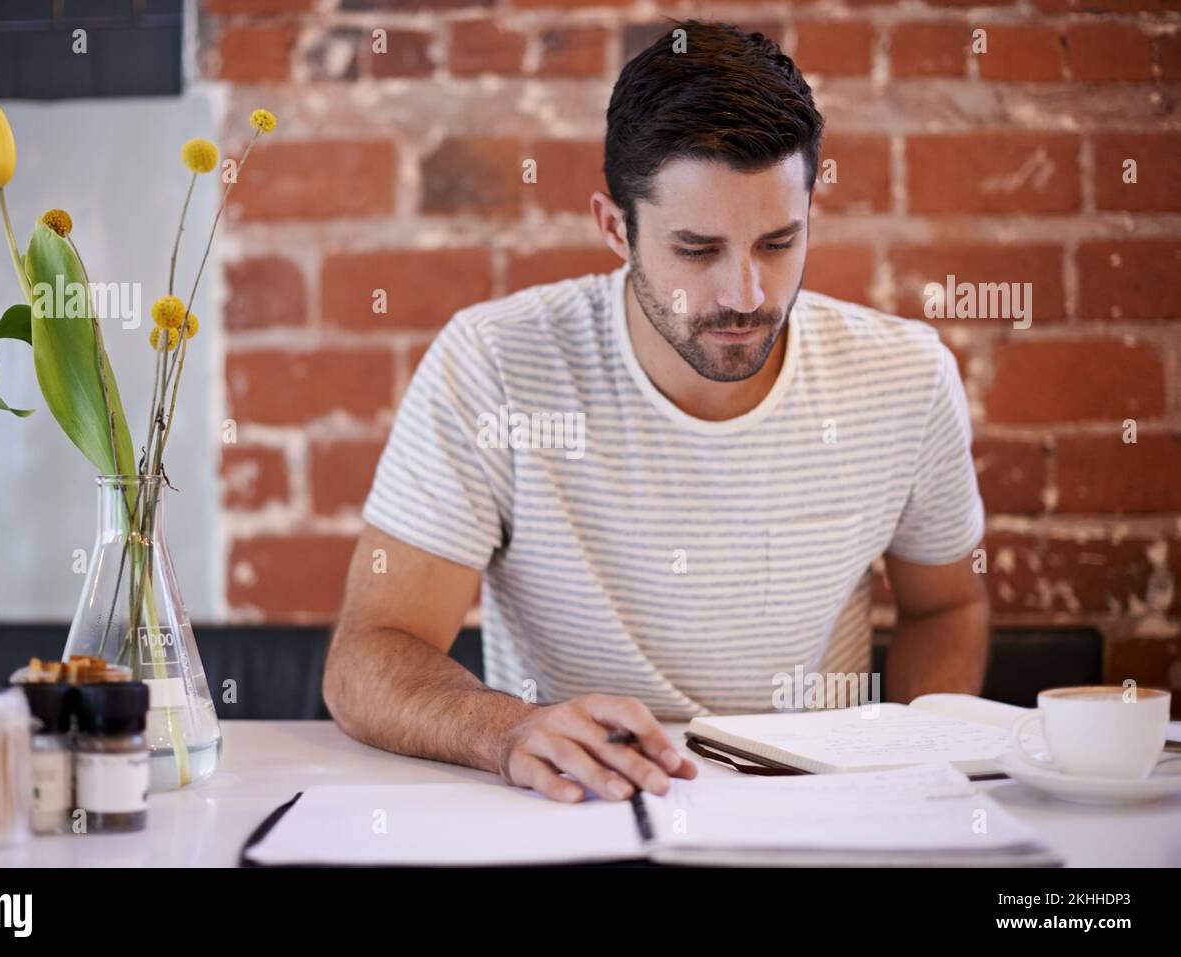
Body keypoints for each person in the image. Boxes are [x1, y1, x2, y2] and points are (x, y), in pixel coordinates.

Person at [324, 19, 989, 804]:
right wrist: (505, 731)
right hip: (581, 810)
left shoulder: (905, 376)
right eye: (697, 251)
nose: (745, 296)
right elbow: (368, 654)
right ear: (616, 229)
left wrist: (908, 781)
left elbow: (947, 603)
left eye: (778, 243)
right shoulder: (494, 364)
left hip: (819, 815)